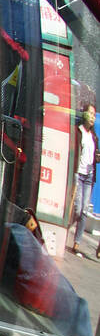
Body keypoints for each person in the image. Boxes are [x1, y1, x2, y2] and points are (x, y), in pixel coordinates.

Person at [69, 101, 97, 258]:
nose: (92, 117)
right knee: (78, 209)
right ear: (84, 114)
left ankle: (77, 243)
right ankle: (68, 225)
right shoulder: (78, 131)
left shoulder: (93, 136)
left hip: (89, 175)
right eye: (90, 113)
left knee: (85, 210)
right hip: (79, 174)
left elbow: (94, 156)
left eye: (94, 114)